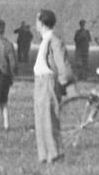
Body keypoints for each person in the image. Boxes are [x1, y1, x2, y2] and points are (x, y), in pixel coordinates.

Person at [29, 10, 72, 163]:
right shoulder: (45, 39)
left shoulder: (54, 40)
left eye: (37, 20)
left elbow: (63, 67)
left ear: (41, 22)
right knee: (40, 119)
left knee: (49, 119)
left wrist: (61, 84)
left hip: (48, 82)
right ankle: (44, 155)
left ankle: (55, 153)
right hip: (40, 82)